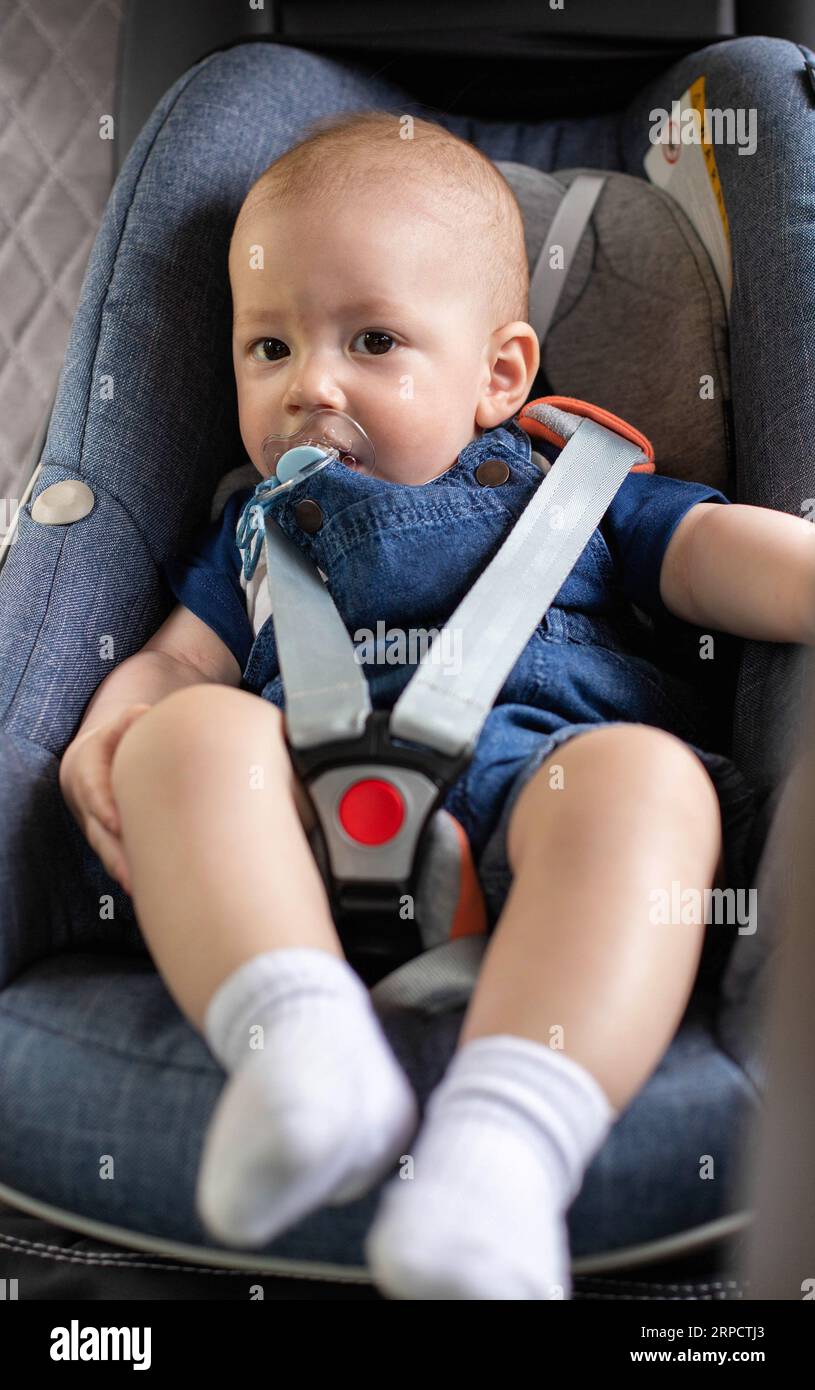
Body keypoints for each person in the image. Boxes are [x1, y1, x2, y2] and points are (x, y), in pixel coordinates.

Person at [58, 110, 815, 1300]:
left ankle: (503, 1147)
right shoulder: (250, 533)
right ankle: (302, 1052)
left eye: (371, 339)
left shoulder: (570, 489)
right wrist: (120, 722)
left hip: (542, 798)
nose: (311, 386)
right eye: (268, 349)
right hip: (298, 829)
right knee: (187, 735)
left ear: (497, 376)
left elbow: (712, 554)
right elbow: (176, 662)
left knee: (645, 783)